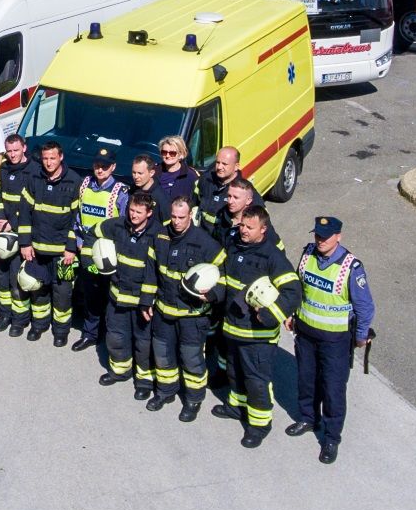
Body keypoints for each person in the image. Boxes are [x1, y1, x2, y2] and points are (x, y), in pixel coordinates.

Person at [286, 216, 376, 465]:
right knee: (306, 381)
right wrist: (291, 313)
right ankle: (308, 418)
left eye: (326, 237)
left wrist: (361, 336)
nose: (320, 240)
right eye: (318, 235)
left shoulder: (351, 267)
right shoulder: (308, 254)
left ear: (338, 237)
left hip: (335, 341)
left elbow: (365, 306)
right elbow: (299, 288)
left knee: (333, 390)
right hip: (306, 334)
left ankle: (331, 438)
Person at [211, 205, 301, 449]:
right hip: (233, 328)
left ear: (263, 229)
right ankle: (237, 407)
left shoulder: (273, 257)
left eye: (250, 227)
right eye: (242, 225)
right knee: (234, 372)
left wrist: (270, 315)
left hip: (257, 336)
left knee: (256, 381)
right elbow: (225, 278)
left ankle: (259, 424)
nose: (243, 230)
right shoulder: (235, 247)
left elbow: (293, 292)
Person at [148, 196, 224, 421]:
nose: (176, 221)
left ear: (190, 215)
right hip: (164, 309)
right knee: (162, 354)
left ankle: (193, 399)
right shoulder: (161, 235)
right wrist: (145, 300)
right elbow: (151, 270)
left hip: (192, 315)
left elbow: (223, 278)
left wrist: (212, 295)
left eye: (181, 217)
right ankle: (166, 391)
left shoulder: (206, 243)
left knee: (191, 358)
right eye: (173, 216)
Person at [96, 191, 161, 399]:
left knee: (143, 344)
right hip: (117, 297)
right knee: (116, 337)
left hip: (142, 302)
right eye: (131, 210)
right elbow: (94, 232)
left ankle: (144, 381)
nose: (133, 215)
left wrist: (148, 301)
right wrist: (92, 260)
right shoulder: (118, 225)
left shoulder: (158, 235)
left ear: (149, 213)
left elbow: (157, 272)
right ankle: (119, 371)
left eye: (138, 212)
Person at [16, 140, 81, 343]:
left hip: (63, 253)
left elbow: (77, 220)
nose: (49, 162)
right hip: (37, 250)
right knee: (38, 291)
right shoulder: (34, 177)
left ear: (61, 157)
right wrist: (25, 243)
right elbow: (25, 213)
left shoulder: (74, 181)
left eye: (53, 158)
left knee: (62, 295)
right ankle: (39, 325)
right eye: (45, 158)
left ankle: (61, 332)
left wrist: (71, 248)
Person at [72, 148, 128, 351]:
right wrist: (78, 240)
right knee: (91, 295)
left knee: (109, 297)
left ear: (113, 167)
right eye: (97, 165)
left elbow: (124, 224)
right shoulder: (84, 184)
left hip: (109, 254)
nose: (100, 169)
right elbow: (78, 216)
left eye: (105, 166)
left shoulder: (120, 192)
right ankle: (90, 334)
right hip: (87, 250)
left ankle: (107, 335)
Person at [0, 133, 43, 333]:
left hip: (22, 234)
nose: (12, 155)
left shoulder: (35, 170)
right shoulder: (4, 168)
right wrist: (0, 218)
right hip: (3, 232)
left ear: (24, 148)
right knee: (1, 276)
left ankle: (20, 320)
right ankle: (5, 314)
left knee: (16, 279)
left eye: (16, 150)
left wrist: (12, 223)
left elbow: (33, 206)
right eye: (9, 151)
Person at [154, 136, 202, 215]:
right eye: (164, 152)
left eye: (172, 153)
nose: (167, 156)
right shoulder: (153, 172)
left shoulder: (191, 176)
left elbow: (196, 203)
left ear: (181, 154)